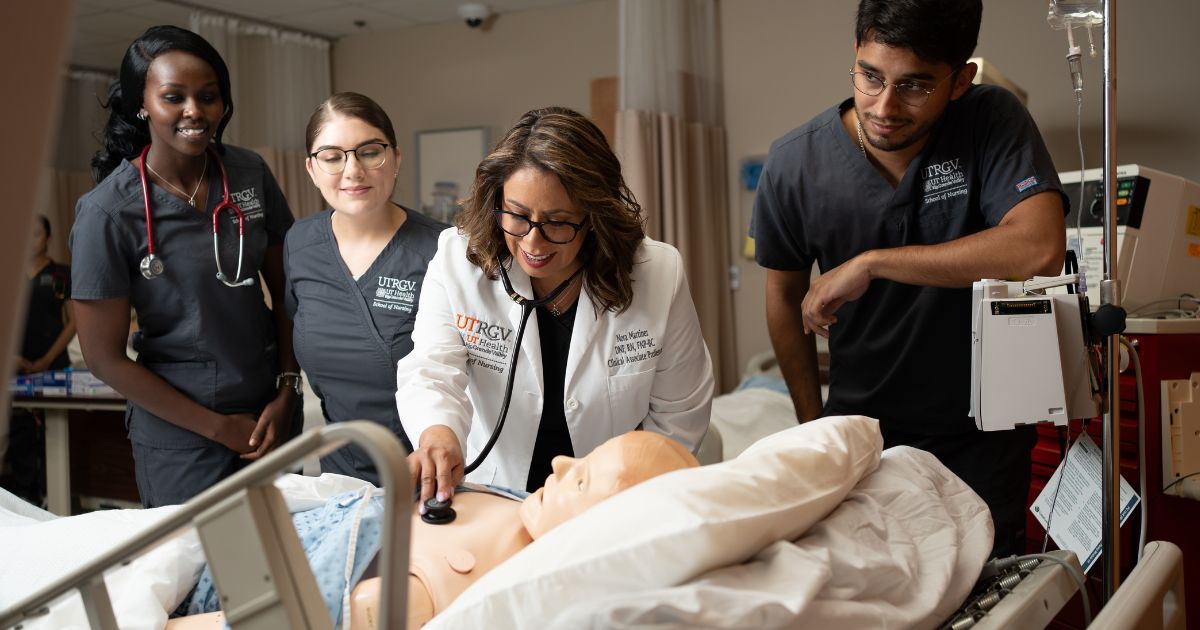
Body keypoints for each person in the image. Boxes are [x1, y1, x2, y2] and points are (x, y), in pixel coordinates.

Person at [751, 0, 1067, 556]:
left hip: (981, 440)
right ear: (856, 53)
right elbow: (783, 297)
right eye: (870, 76)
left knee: (987, 589)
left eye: (915, 86)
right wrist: (811, 427)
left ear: (960, 80)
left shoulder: (989, 121)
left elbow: (1038, 248)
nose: (885, 106)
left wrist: (873, 262)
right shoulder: (795, 163)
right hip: (863, 437)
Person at [396, 106, 714, 505]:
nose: (533, 242)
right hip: (493, 491)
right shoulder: (458, 259)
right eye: (517, 216)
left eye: (558, 222)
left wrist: (625, 498)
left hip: (610, 498)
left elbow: (679, 413)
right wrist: (438, 434)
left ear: (594, 216)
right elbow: (432, 368)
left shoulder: (656, 273)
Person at [69, 25, 301, 508]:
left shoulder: (248, 173)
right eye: (174, 97)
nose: (194, 111)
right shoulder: (107, 213)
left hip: (270, 415)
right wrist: (218, 428)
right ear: (142, 104)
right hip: (182, 434)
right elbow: (104, 359)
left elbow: (288, 290)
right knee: (200, 556)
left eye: (208, 97)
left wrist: (287, 388)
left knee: (290, 548)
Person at [166, 431, 698, 628]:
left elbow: (283, 622)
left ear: (603, 532)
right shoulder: (531, 512)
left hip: (243, 576)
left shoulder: (463, 585)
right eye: (580, 459)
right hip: (267, 527)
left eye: (580, 480)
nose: (559, 463)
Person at [284, 93, 448, 486]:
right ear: (311, 168)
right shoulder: (300, 243)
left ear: (396, 158)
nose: (353, 171)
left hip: (431, 476)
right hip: (341, 479)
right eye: (332, 157)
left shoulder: (444, 250)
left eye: (369, 152)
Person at [0, 216, 77, 504]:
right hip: (15, 367)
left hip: (53, 365)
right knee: (19, 430)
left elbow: (74, 323)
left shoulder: (61, 274)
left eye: (36, 233)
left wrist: (45, 360)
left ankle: (53, 494)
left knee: (54, 431)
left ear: (48, 238)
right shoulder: (8, 275)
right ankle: (26, 494)